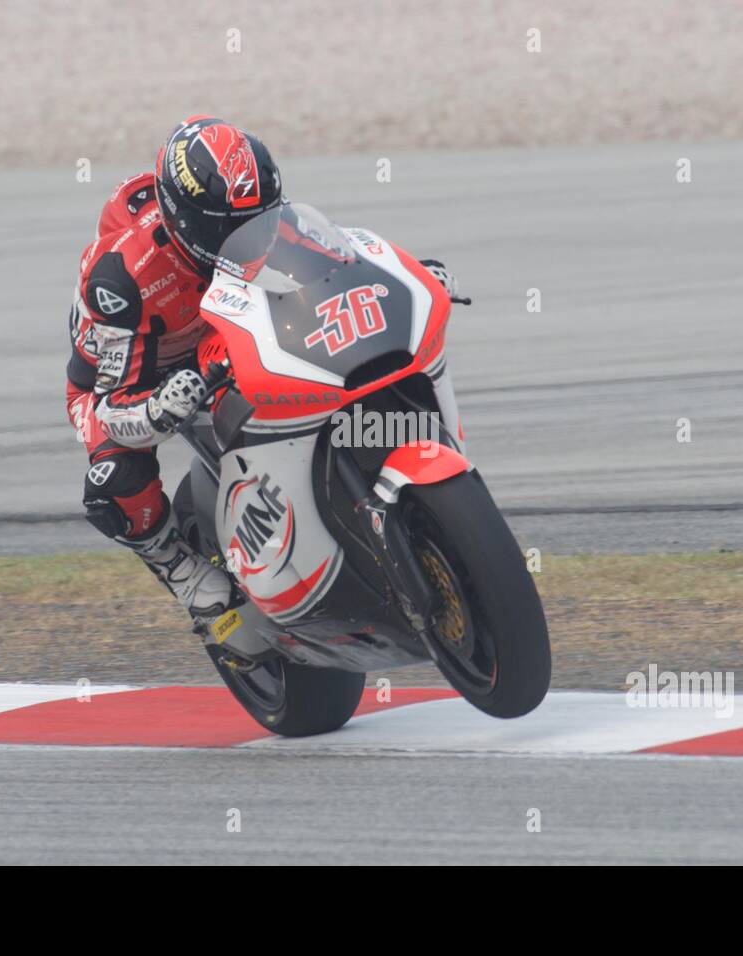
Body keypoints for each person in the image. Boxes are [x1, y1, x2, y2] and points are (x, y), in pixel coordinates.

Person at [64, 115, 458, 624]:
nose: (244, 236)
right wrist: (159, 407)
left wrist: (409, 275)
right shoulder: (122, 278)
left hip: (217, 334)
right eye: (223, 226)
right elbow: (113, 407)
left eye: (258, 219)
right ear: (181, 219)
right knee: (114, 476)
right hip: (129, 379)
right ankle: (177, 567)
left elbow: (339, 260)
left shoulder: (256, 220)